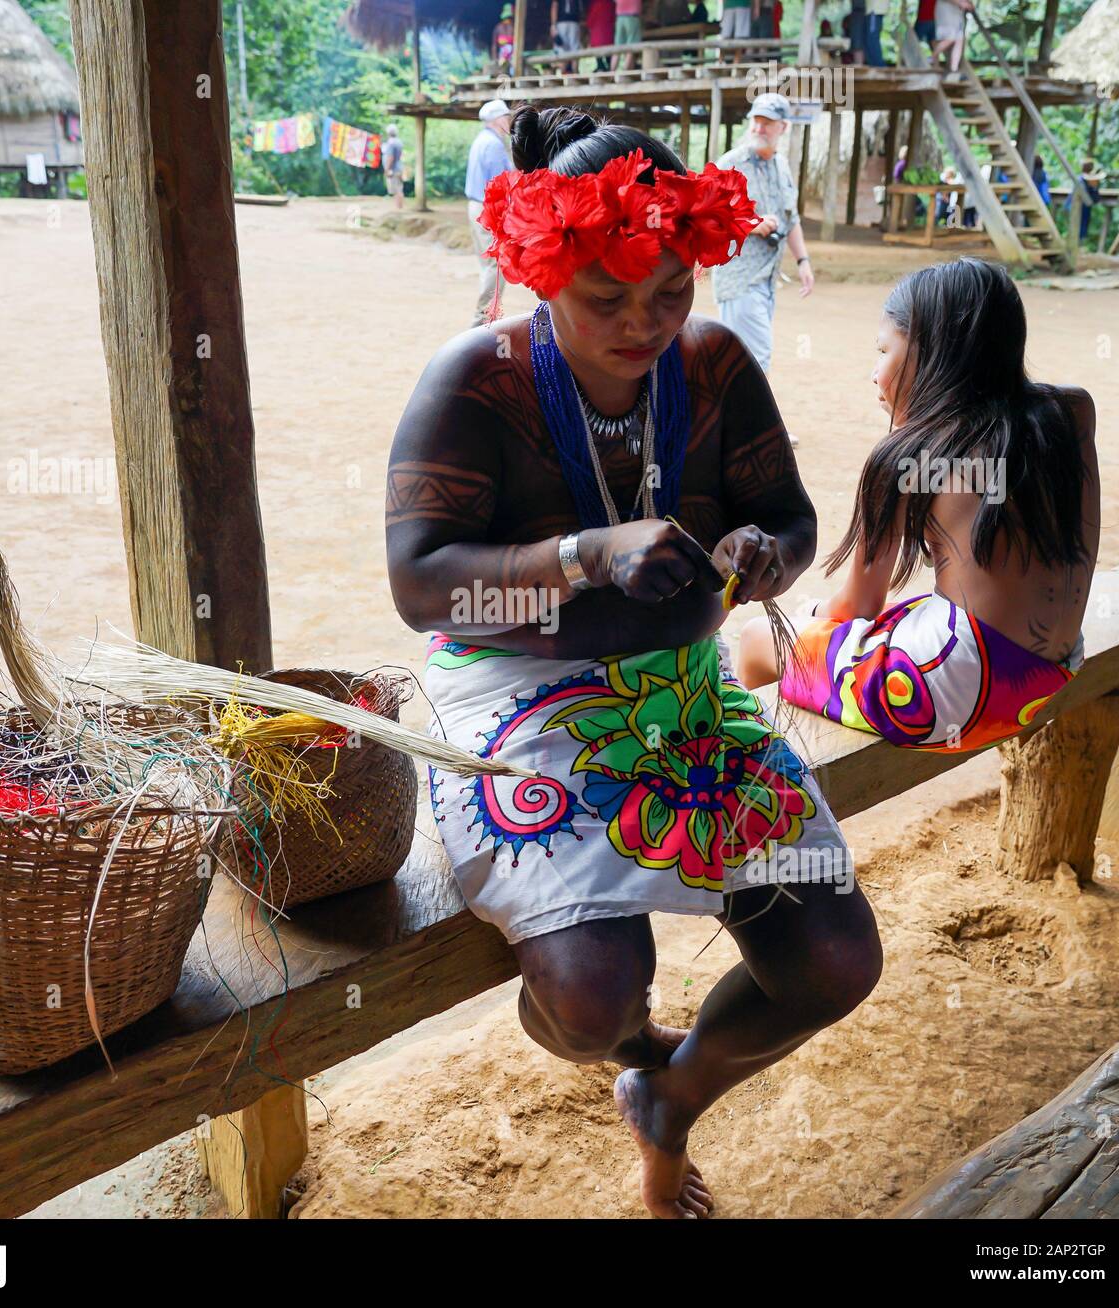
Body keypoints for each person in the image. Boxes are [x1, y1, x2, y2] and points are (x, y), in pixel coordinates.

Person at [387, 103, 880, 1221]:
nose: (644, 325)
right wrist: (580, 556)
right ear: (539, 271)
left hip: (683, 694)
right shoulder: (473, 383)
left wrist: (765, 553)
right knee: (592, 996)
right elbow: (421, 586)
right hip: (518, 694)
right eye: (604, 298)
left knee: (833, 962)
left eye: (670, 292)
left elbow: (791, 522)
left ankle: (671, 1094)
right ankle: (626, 1044)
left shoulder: (712, 369)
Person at [736, 258, 1099, 757]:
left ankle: (763, 785)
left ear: (930, 355)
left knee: (758, 639)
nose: (874, 373)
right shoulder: (1072, 411)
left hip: (946, 700)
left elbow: (856, 606)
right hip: (1051, 673)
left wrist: (811, 615)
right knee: (901, 622)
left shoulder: (908, 457)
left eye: (884, 350)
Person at [712, 93, 814, 441]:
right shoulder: (731, 163)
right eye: (756, 120)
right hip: (738, 275)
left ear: (783, 127)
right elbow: (707, 214)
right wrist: (750, 224)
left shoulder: (781, 166)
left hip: (767, 277)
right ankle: (757, 430)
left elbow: (792, 217)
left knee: (742, 355)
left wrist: (803, 260)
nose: (759, 127)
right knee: (756, 354)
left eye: (768, 122)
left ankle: (732, 426)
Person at [465, 100, 515, 327]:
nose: (508, 121)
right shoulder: (494, 145)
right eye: (505, 117)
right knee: (495, 268)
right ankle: (483, 321)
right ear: (497, 120)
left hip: (475, 206)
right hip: (487, 210)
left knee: (487, 266)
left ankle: (485, 318)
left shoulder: (481, 140)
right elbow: (500, 186)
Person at [933, 0, 973, 72]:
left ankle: (954, 68)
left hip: (956, 17)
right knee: (950, 39)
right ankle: (934, 56)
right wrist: (960, 3)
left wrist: (968, 4)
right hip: (946, 15)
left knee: (959, 40)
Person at [552, 0, 585, 73]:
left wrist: (553, 25)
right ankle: (574, 72)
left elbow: (554, 6)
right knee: (573, 49)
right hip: (572, 23)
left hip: (566, 23)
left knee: (563, 50)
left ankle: (566, 73)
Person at [380, 123, 404, 211]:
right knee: (399, 188)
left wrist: (387, 169)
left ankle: (398, 208)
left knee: (396, 189)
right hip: (399, 167)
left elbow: (390, 157)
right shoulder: (399, 142)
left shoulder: (390, 143)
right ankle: (399, 207)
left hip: (393, 169)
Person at [614, 0, 643, 70]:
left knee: (616, 48)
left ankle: (611, 72)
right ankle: (625, 71)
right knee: (631, 46)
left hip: (620, 17)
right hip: (632, 16)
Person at [588, 0, 616, 68]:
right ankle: (609, 66)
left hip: (597, 34)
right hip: (608, 33)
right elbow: (614, 18)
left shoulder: (595, 4)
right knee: (609, 53)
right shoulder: (611, 4)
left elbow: (590, 20)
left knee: (598, 53)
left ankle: (600, 66)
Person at [865, 0, 889, 66]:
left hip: (875, 9)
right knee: (870, 41)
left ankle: (881, 68)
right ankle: (876, 67)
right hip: (873, 9)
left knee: (872, 40)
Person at [493, 3, 516, 70]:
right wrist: (495, 59)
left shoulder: (514, 27)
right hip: (504, 55)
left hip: (511, 54)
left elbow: (494, 46)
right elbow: (494, 46)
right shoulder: (498, 28)